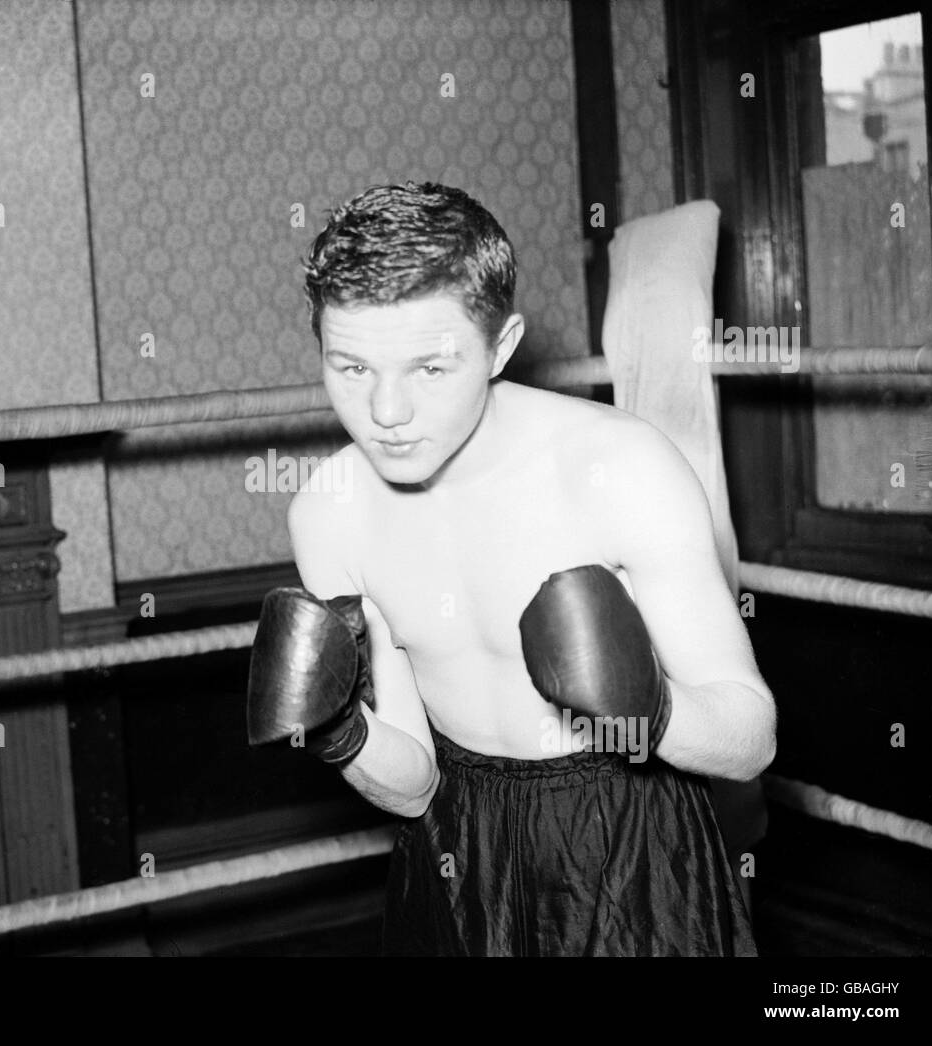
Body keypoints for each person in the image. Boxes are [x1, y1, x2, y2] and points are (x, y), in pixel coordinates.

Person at [246, 182, 775, 956]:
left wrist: (651, 710)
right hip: (459, 844)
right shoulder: (328, 513)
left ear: (501, 345)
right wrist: (341, 736)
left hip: (628, 831)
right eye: (351, 367)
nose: (386, 412)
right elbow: (415, 784)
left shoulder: (621, 468)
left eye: (430, 369)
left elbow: (752, 737)